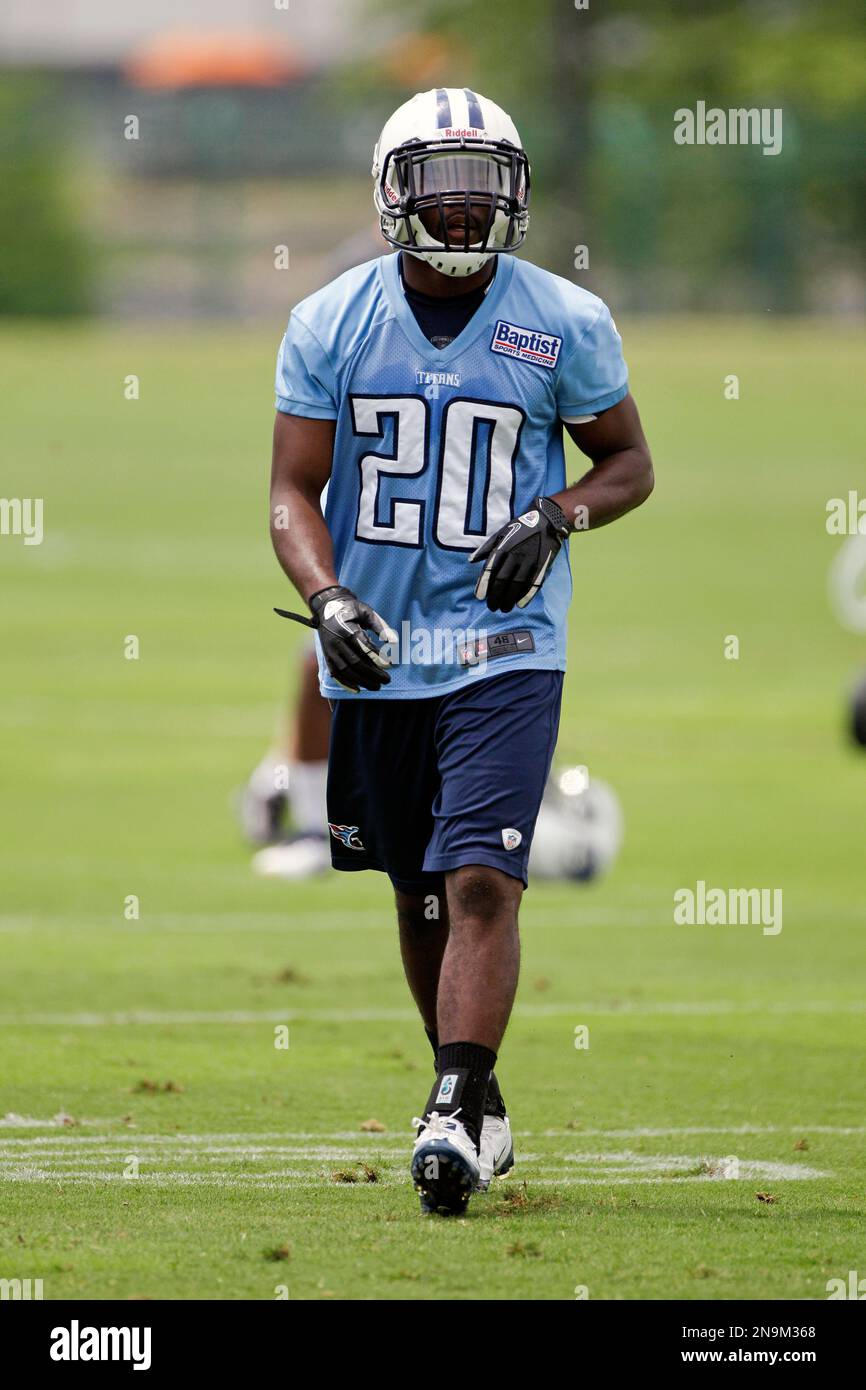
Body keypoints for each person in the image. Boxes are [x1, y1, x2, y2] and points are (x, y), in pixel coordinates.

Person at [268, 87, 654, 1214]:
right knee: (415, 891)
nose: (463, 206)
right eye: (441, 184)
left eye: (484, 184)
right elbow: (292, 489)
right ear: (396, 192)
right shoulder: (330, 320)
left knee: (483, 875)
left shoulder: (562, 320)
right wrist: (327, 596)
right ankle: (475, 1099)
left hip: (505, 644)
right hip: (379, 649)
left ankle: (452, 1094)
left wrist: (554, 518)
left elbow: (626, 463)